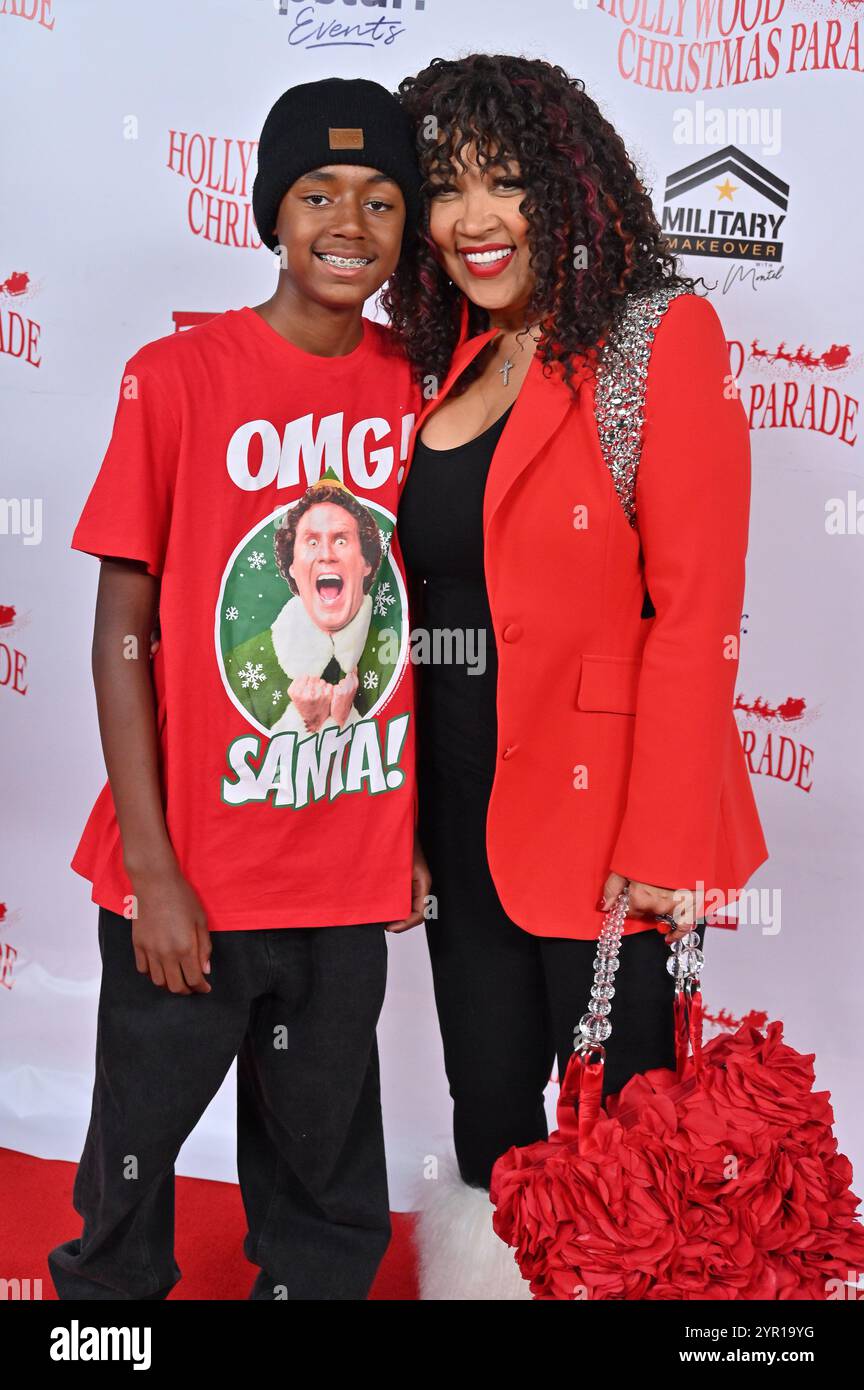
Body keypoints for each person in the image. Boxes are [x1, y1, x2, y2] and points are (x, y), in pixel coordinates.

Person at [385, 53, 769, 1298]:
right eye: (445, 189)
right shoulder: (452, 358)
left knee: (628, 1152)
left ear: (571, 184)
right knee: (493, 1119)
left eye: (506, 182)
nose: (474, 218)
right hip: (457, 820)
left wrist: (664, 842)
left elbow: (697, 610)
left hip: (612, 827)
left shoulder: (663, 336)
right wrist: (400, 818)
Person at [48, 77, 429, 1302]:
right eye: (319, 194)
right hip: (197, 869)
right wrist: (153, 868)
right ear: (274, 211)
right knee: (132, 1155)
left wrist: (410, 837)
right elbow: (123, 628)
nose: (349, 222)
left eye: (380, 200)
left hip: (343, 863)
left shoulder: (416, 385)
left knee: (328, 1170)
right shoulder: (178, 376)